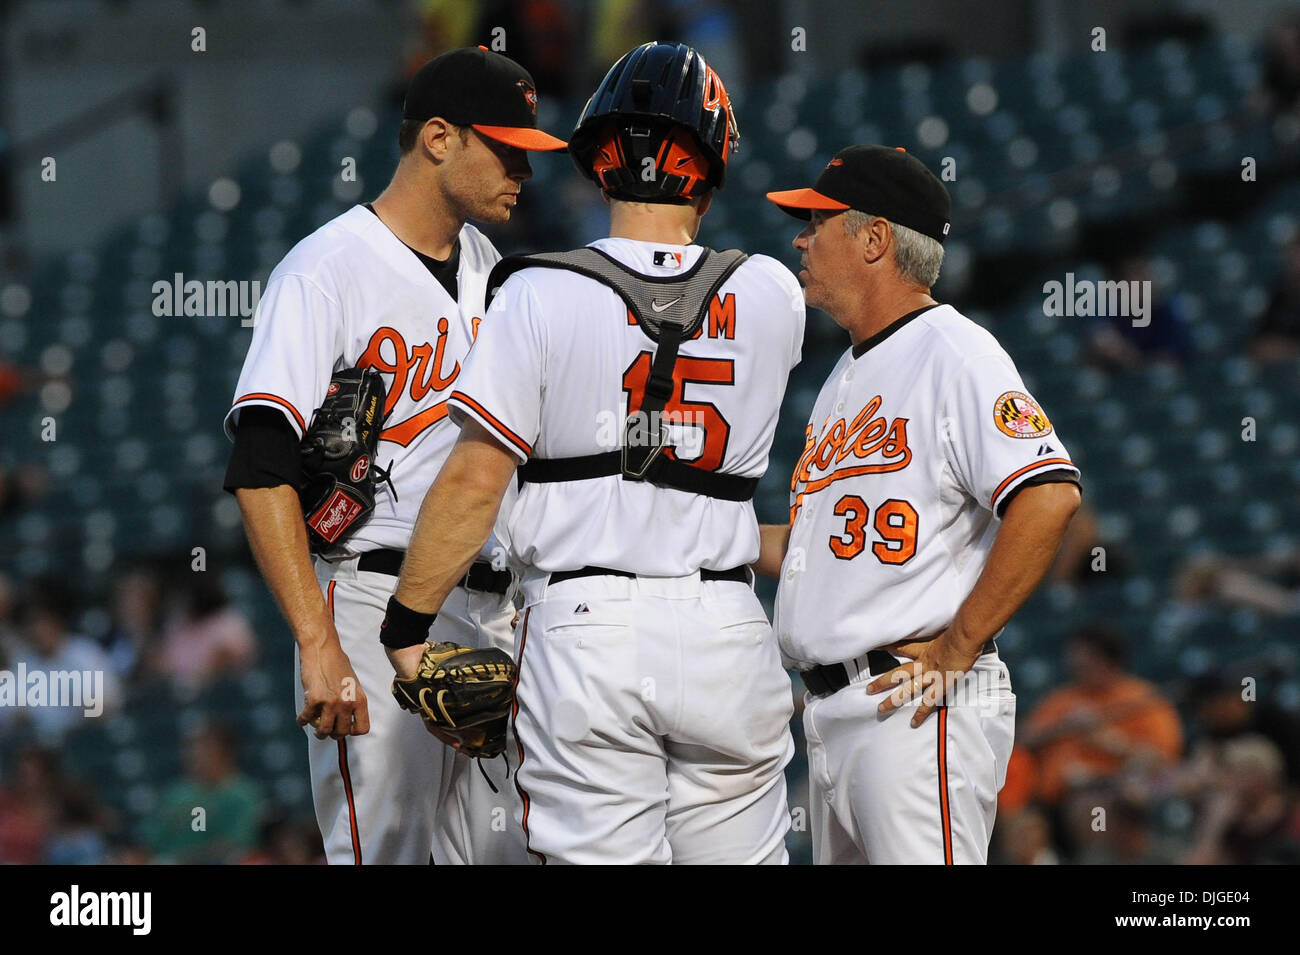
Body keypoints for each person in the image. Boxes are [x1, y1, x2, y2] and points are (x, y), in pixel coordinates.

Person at [377, 41, 805, 864]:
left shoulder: (534, 288)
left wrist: (407, 626)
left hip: (586, 627)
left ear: (600, 164)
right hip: (726, 621)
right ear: (711, 167)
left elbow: (472, 480)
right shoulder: (772, 291)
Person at [222, 47, 567, 865]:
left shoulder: (499, 273)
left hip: (500, 606)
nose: (524, 168)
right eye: (507, 146)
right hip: (374, 600)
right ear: (439, 138)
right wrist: (316, 640)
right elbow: (261, 463)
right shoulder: (324, 270)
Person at [754, 145, 1082, 864]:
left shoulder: (955, 351)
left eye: (817, 222)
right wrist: (707, 528)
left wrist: (957, 647)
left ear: (875, 238)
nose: (800, 239)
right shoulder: (845, 370)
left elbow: (1048, 496)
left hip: (913, 704)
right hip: (836, 713)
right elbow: (821, 553)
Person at [1020, 625, 1182, 805]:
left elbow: (1163, 759)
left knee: (1094, 810)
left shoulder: (1143, 698)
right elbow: (1024, 740)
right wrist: (1065, 727)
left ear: (1109, 661)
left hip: (1111, 793)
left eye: (1086, 662)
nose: (1075, 666)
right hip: (1051, 798)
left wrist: (1112, 742)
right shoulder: (1063, 699)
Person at [147, 723, 263, 864]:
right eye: (191, 747)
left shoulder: (242, 795)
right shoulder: (176, 794)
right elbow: (152, 841)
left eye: (205, 747)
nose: (195, 753)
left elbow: (237, 845)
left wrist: (180, 860)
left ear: (226, 752)